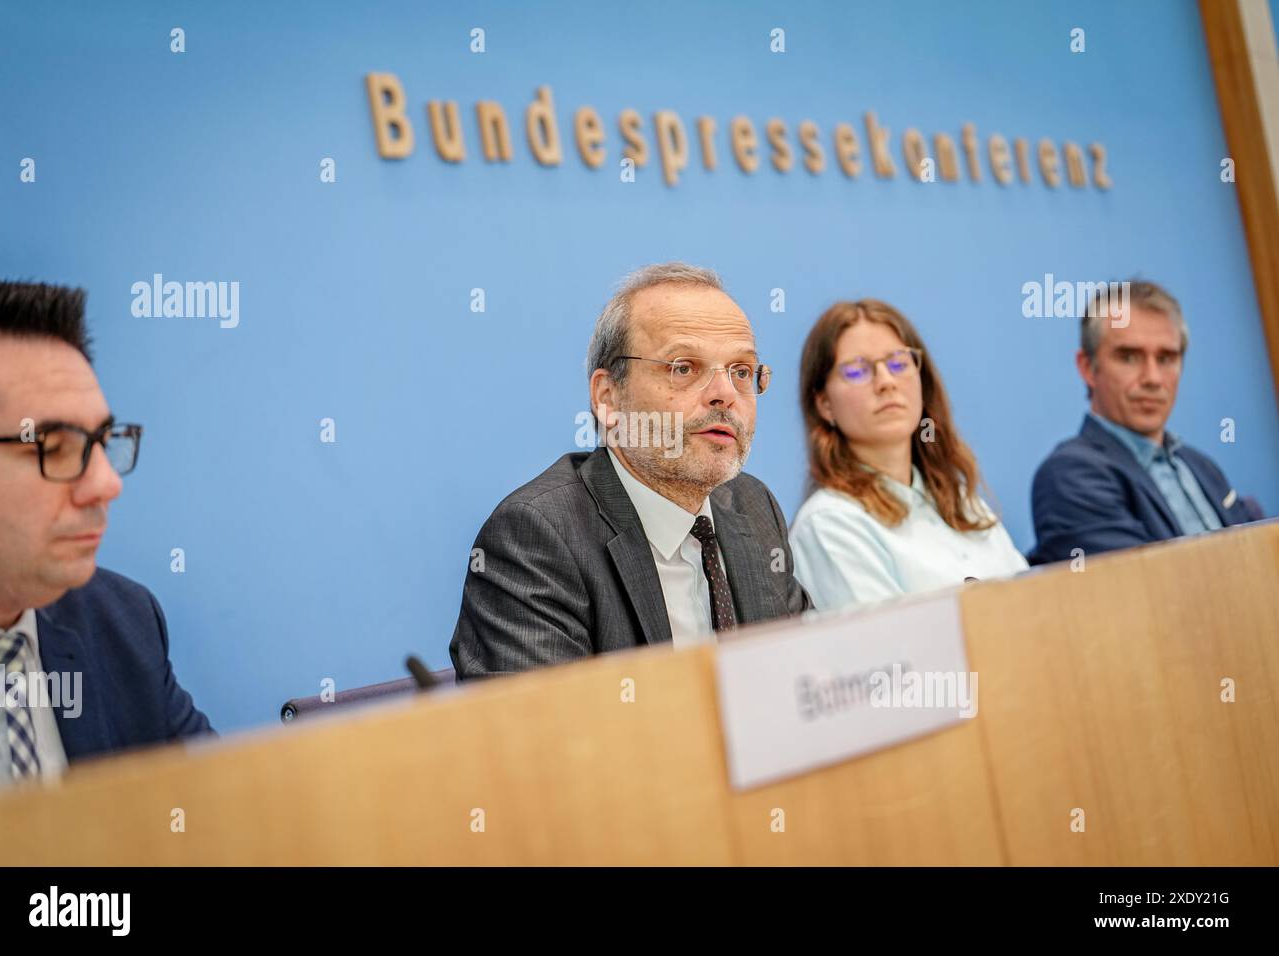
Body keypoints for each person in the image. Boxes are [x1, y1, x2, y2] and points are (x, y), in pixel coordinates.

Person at [450, 262, 812, 678]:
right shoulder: (537, 539)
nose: (725, 394)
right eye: (683, 368)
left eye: (742, 372)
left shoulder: (752, 505)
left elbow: (806, 682)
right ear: (608, 397)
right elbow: (546, 720)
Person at [0, 279, 212, 788]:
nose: (107, 484)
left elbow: (215, 807)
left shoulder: (122, 622)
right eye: (53, 448)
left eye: (103, 441)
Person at [790, 298, 1026, 610]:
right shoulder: (829, 523)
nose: (886, 382)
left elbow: (1036, 607)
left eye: (899, 363)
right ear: (824, 404)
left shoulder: (965, 504)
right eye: (858, 371)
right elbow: (891, 639)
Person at [1029, 280, 1256, 566]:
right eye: (1129, 357)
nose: (1152, 378)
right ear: (1087, 368)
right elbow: (1144, 585)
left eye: (1166, 358)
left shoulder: (1201, 466)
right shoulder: (1069, 475)